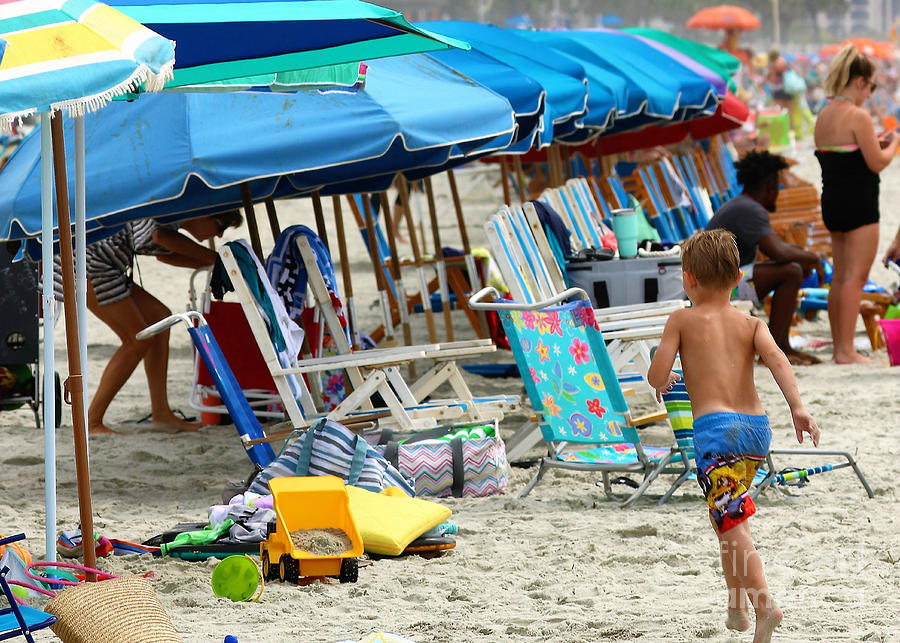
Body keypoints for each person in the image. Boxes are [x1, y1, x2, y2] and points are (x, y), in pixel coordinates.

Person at [648, 229, 820, 643]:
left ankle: (764, 605)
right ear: (738, 276)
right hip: (755, 434)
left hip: (716, 434)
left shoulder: (682, 319)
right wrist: (798, 407)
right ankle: (736, 607)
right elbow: (778, 360)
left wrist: (667, 376)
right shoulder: (751, 322)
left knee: (732, 523)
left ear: (688, 279)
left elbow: (656, 376)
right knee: (728, 519)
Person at [83, 212, 242, 434]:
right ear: (205, 214)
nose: (219, 234)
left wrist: (216, 264)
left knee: (159, 319)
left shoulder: (177, 212)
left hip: (104, 263)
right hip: (89, 262)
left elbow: (164, 253)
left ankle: (161, 414)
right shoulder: (180, 207)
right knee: (136, 341)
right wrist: (216, 259)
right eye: (221, 225)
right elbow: (159, 236)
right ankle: (92, 422)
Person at [814, 44, 899, 363]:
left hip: (833, 201)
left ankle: (840, 346)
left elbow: (843, 154)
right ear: (860, 81)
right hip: (860, 202)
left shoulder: (825, 114)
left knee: (840, 276)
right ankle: (846, 351)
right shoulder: (857, 114)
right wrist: (894, 144)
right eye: (872, 86)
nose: (870, 93)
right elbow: (877, 163)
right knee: (855, 277)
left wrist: (874, 146)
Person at [705, 150, 823, 365]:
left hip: (715, 286)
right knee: (791, 271)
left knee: (791, 267)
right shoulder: (750, 210)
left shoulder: (741, 205)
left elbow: (777, 253)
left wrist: (803, 257)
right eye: (777, 187)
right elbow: (779, 252)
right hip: (719, 290)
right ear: (769, 186)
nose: (778, 193)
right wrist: (813, 259)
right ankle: (776, 350)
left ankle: (782, 346)